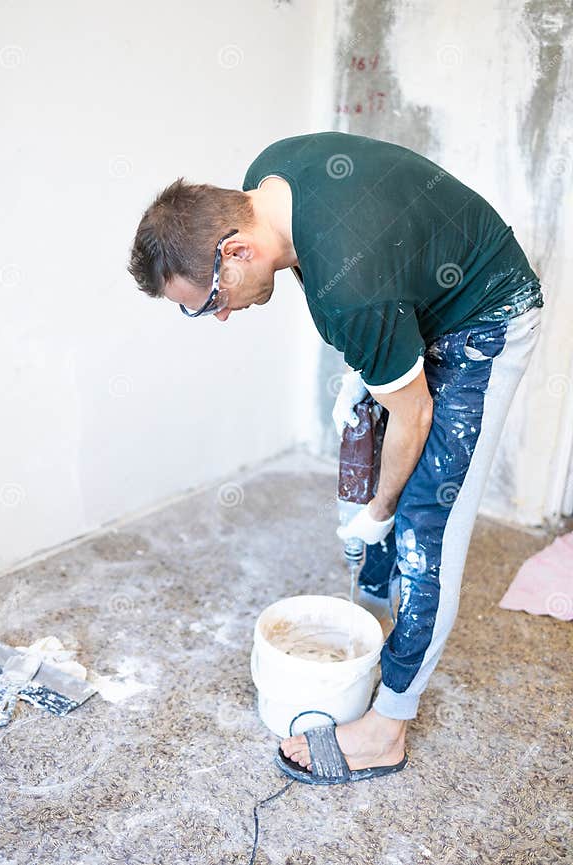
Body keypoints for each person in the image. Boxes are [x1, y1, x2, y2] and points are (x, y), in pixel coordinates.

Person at [127, 131, 543, 784]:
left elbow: (416, 414)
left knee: (426, 522)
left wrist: (379, 509)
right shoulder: (264, 179)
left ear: (235, 249)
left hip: (486, 312)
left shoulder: (352, 292)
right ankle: (372, 618)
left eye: (209, 301)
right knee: (372, 456)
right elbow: (353, 257)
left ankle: (387, 726)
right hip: (412, 299)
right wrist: (367, 369)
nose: (220, 317)